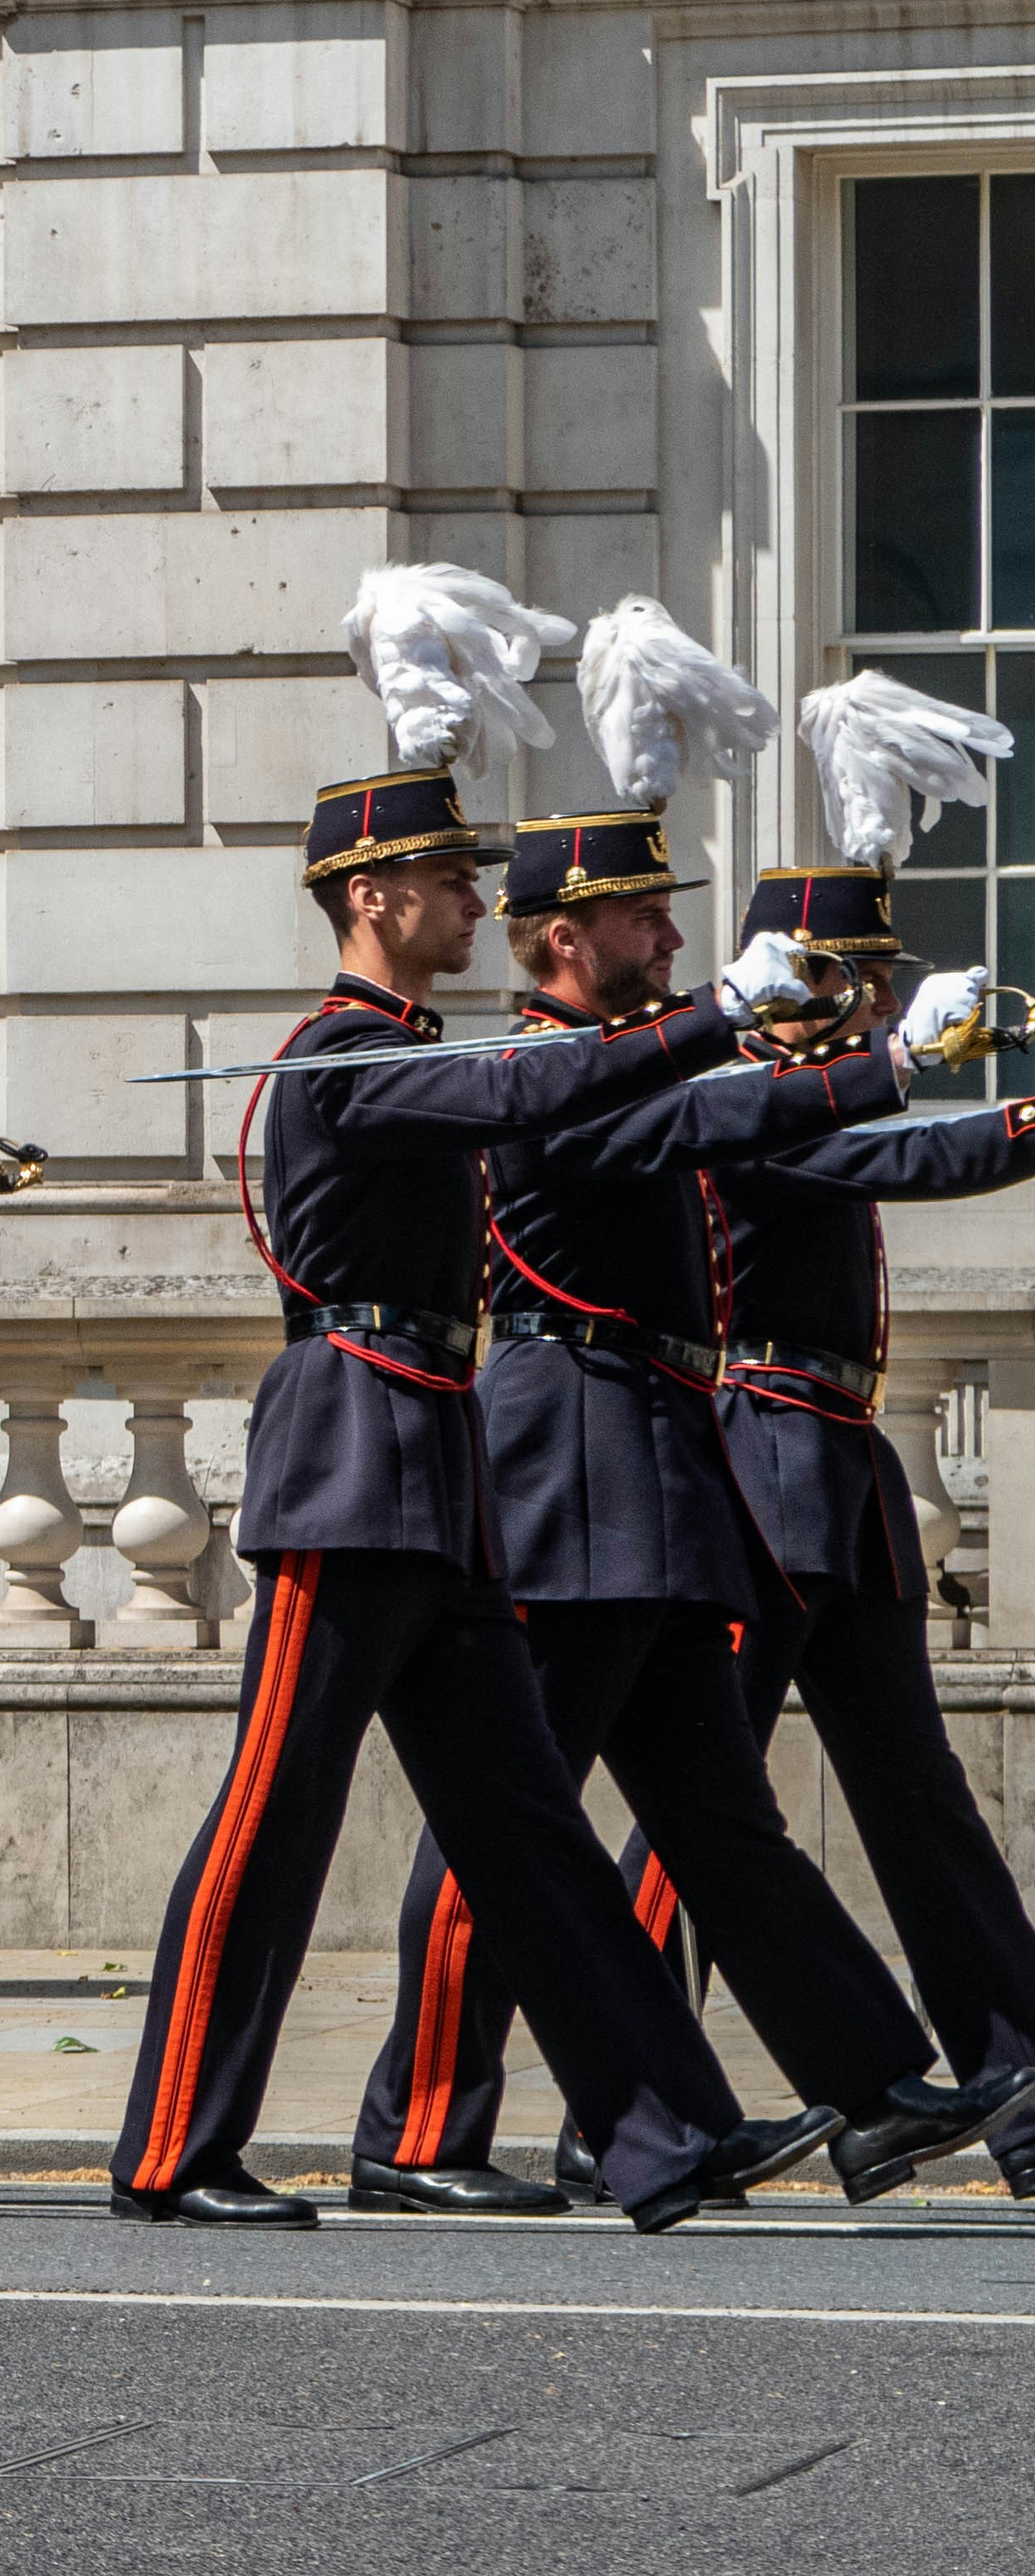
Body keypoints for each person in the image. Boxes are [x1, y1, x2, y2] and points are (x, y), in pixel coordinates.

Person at [105, 760, 850, 2232]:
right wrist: (715, 1018)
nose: (473, 902)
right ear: (373, 898)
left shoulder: (405, 1049)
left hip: (434, 1463)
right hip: (348, 1458)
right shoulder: (346, 1053)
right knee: (276, 1807)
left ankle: (657, 2134)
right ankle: (172, 2147)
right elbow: (530, 1082)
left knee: (526, 1827)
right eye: (449, 882)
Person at [346, 823, 1027, 2211]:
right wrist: (877, 1065)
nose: (672, 942)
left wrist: (846, 1058)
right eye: (644, 920)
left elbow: (730, 1105)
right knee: (505, 1816)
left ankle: (865, 2086)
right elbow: (713, 1121)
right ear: (564, 940)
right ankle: (420, 2127)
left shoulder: (625, 1060)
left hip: (657, 1454)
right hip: (566, 1456)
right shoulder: (542, 1076)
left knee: (720, 1814)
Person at [655, 864, 1035, 2201]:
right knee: (699, 1791)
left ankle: (1016, 2076)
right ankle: (633, 2086)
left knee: (914, 1788)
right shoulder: (740, 1098)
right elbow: (911, 1156)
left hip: (839, 1459)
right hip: (760, 1457)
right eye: (853, 976)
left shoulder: (809, 1077)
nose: (876, 1000)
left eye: (878, 979)